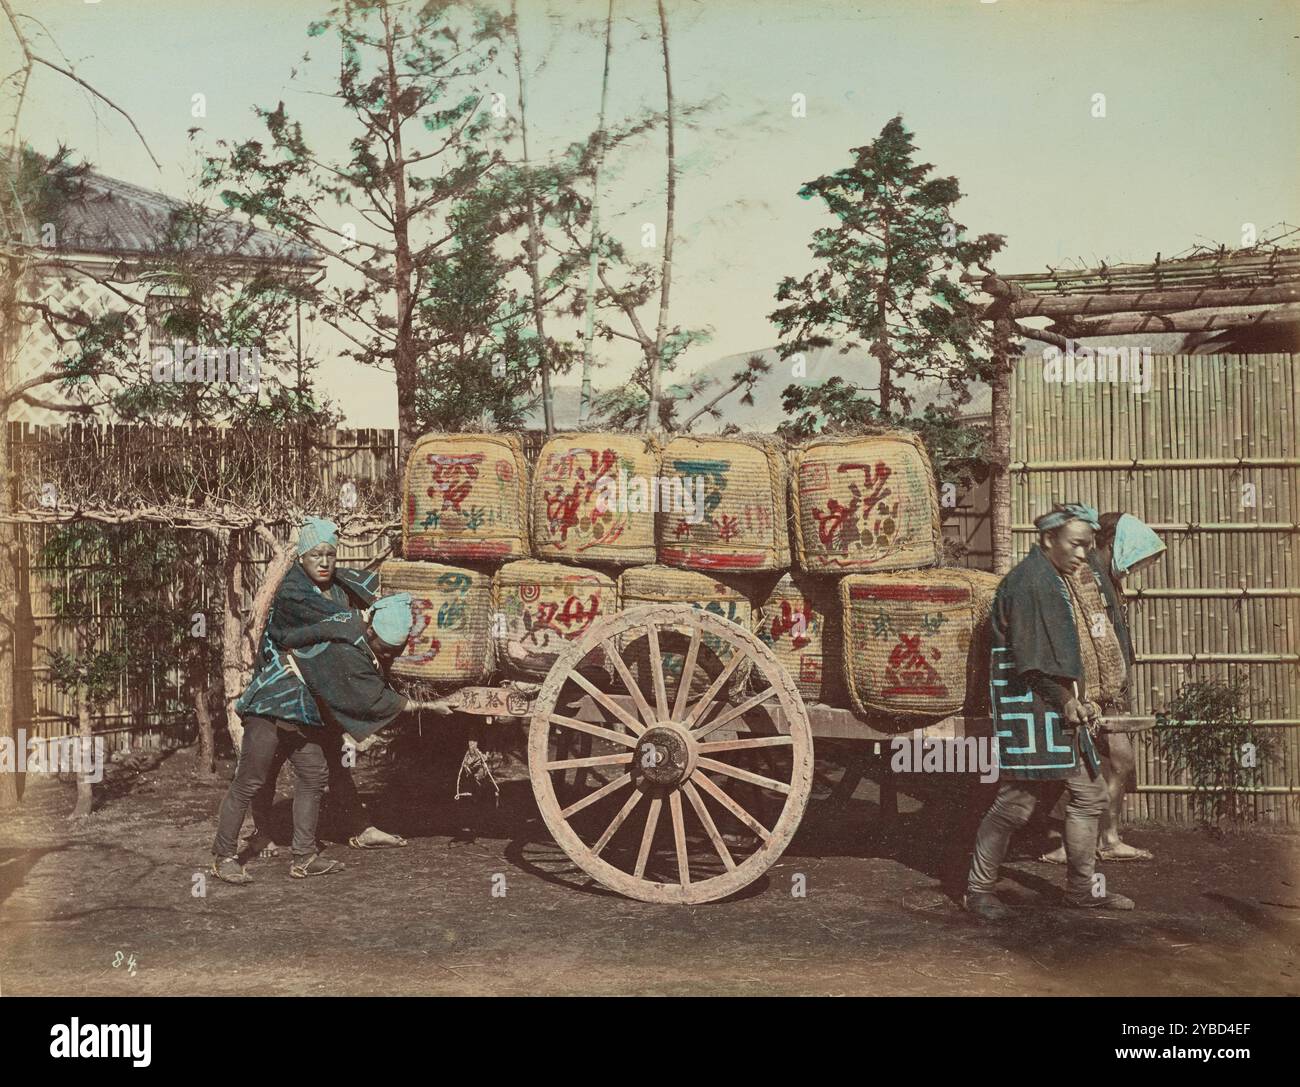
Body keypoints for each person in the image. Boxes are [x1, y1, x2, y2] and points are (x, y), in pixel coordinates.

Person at [210, 518, 438, 884]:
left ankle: (303, 857)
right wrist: (361, 621)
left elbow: (368, 597)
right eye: (316, 554)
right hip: (273, 700)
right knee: (250, 780)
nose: (325, 561)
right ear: (301, 557)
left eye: (331, 554)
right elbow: (328, 627)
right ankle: (223, 856)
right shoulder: (294, 594)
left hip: (307, 707)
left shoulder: (338, 587)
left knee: (315, 776)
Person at [964, 502, 1135, 922]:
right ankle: (977, 890)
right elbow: (1030, 660)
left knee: (1090, 794)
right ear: (1048, 540)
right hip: (1032, 706)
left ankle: (1081, 890)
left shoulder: (1056, 580)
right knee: (1017, 803)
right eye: (1076, 544)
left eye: (1088, 546)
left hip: (1057, 707)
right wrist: (1066, 700)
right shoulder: (1030, 584)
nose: (1083, 554)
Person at [1038, 512, 1167, 864]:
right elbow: (1087, 638)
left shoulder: (1108, 579)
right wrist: (1093, 691)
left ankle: (1105, 837)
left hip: (1108, 689)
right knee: (1095, 765)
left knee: (1117, 763)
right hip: (1092, 690)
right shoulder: (1087, 578)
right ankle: (1078, 841)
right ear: (1115, 545)